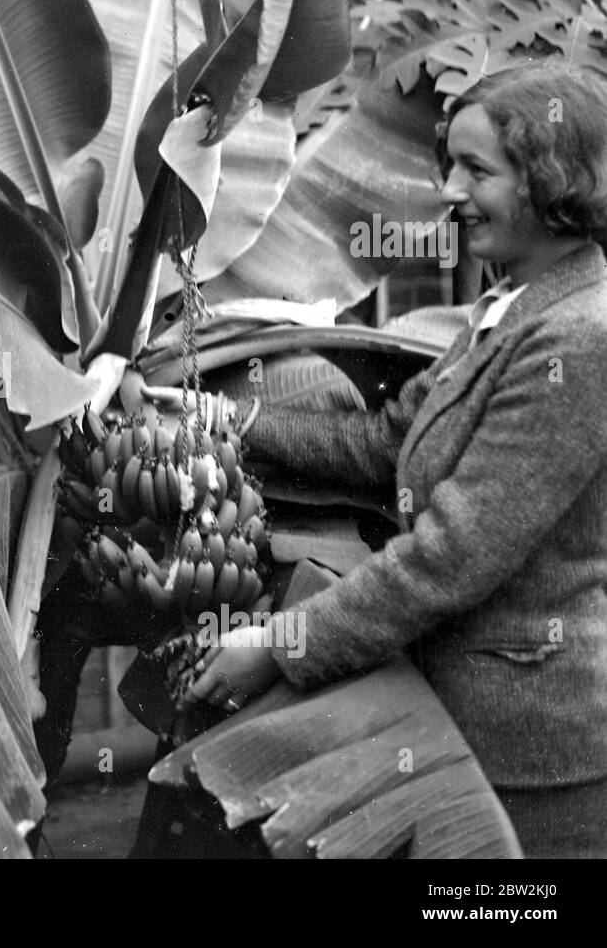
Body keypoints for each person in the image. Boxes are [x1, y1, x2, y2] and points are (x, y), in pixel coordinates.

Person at [174, 60, 607, 858]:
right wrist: (219, 416)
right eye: (451, 165)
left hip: (530, 743)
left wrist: (280, 642)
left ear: (554, 183)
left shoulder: (580, 338)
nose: (449, 189)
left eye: (478, 170)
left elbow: (454, 551)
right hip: (450, 710)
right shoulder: (506, 308)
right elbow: (380, 444)